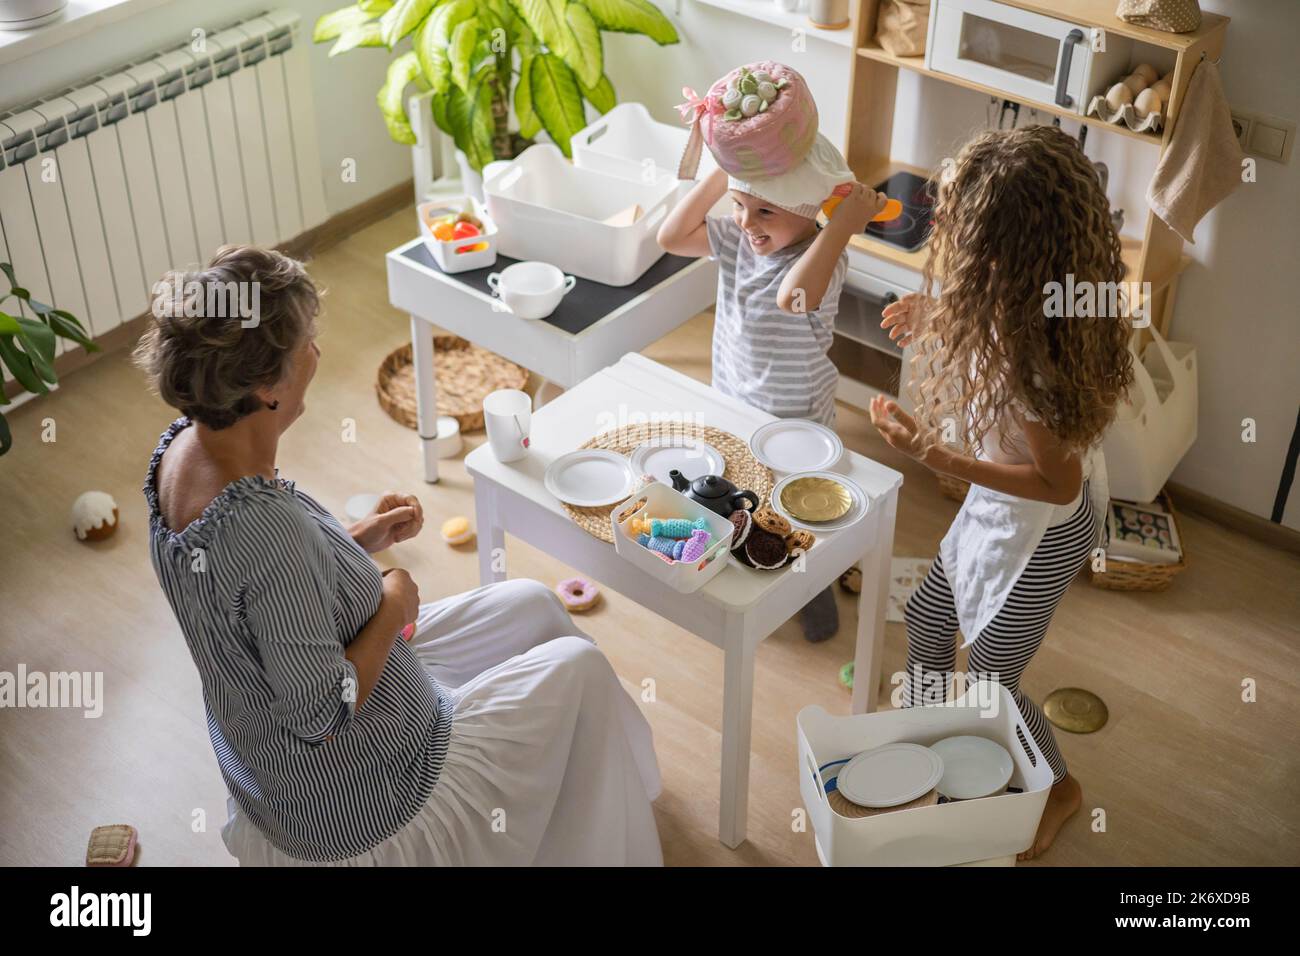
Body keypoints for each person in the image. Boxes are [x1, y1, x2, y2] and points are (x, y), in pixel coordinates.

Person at [136, 245, 662, 866]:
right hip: (362, 792)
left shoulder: (181, 453)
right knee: (580, 665)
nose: (317, 354)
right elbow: (319, 712)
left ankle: (604, 801)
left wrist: (354, 541)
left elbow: (250, 595)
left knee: (533, 604)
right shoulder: (264, 526)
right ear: (266, 386)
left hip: (291, 750)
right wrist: (392, 605)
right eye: (306, 344)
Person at [868, 126, 1134, 858]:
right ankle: (926, 741)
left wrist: (936, 455)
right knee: (929, 617)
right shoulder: (1023, 297)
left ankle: (1059, 786)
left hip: (1046, 528)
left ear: (1000, 252)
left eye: (960, 224)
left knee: (991, 680)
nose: (944, 231)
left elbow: (1056, 484)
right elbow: (983, 322)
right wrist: (938, 315)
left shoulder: (1034, 366)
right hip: (1007, 506)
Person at [658, 61, 885, 641]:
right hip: (733, 401)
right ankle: (743, 565)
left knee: (796, 510)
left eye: (766, 212)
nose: (747, 222)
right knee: (737, 494)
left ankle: (812, 586)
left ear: (809, 215)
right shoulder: (736, 237)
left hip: (795, 419)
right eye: (739, 206)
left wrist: (843, 226)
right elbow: (670, 236)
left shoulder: (823, 256)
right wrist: (724, 171)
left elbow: (792, 297)